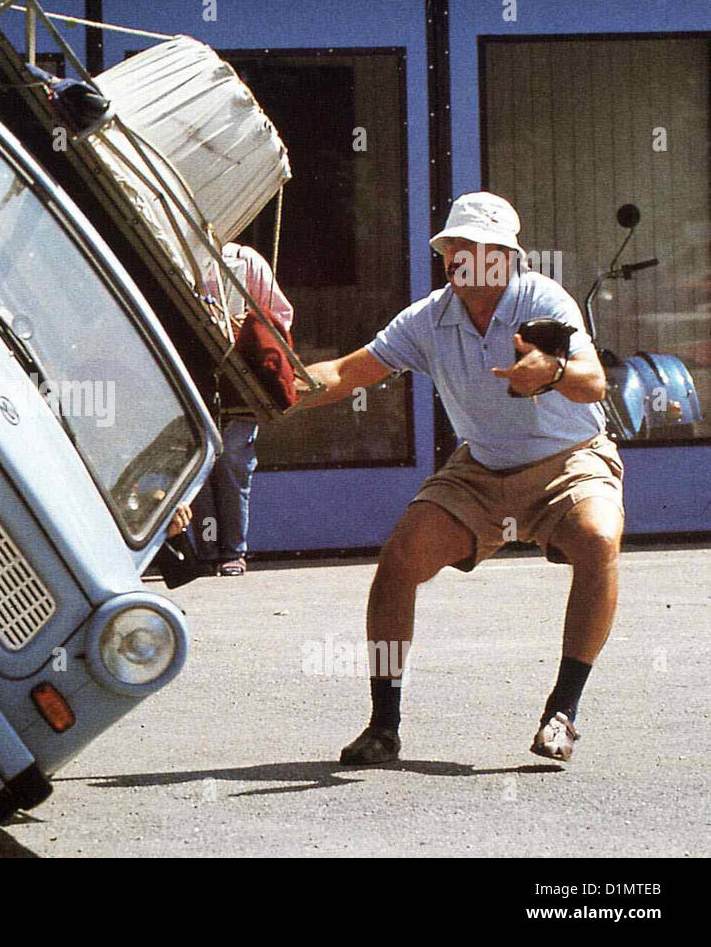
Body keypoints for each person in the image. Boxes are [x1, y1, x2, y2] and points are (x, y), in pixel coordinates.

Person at [297, 192, 620, 763]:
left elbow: (593, 382)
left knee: (597, 538)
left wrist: (552, 372)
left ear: (507, 257)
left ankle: (562, 713)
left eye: (479, 248)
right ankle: (383, 726)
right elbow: (346, 373)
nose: (462, 258)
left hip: (570, 459)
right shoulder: (428, 318)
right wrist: (277, 388)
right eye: (453, 247)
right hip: (481, 468)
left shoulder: (541, 298)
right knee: (399, 560)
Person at [205, 242, 295, 576]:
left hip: (238, 381)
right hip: (195, 372)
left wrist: (249, 326)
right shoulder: (173, 254)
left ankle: (232, 551)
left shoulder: (244, 260)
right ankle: (205, 550)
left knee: (232, 460)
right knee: (197, 463)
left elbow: (280, 318)